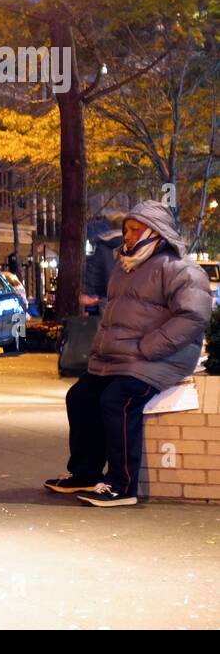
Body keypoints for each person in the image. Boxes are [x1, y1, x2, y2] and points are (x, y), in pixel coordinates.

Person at [45, 201, 211, 506]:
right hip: (124, 358)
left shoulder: (181, 269)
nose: (129, 235)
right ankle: (86, 473)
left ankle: (122, 484)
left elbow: (193, 316)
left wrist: (149, 347)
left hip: (162, 357)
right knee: (80, 397)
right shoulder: (126, 266)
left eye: (136, 229)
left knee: (117, 400)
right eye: (127, 229)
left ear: (156, 232)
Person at [80, 213, 123, 314]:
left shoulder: (102, 246)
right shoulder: (135, 245)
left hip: (107, 299)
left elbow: (93, 272)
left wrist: (89, 293)